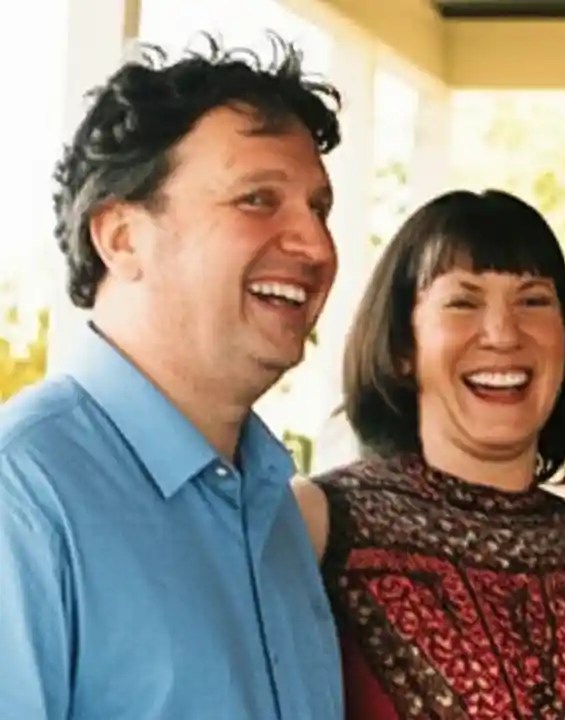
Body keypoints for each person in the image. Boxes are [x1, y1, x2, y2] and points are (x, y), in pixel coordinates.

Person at [0, 36, 344, 719]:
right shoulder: (23, 498)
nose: (316, 245)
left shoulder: (272, 501)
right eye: (257, 199)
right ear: (123, 238)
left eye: (319, 208)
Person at [293, 189, 565, 719]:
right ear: (402, 347)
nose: (502, 333)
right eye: (463, 302)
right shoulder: (318, 521)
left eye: (533, 300)